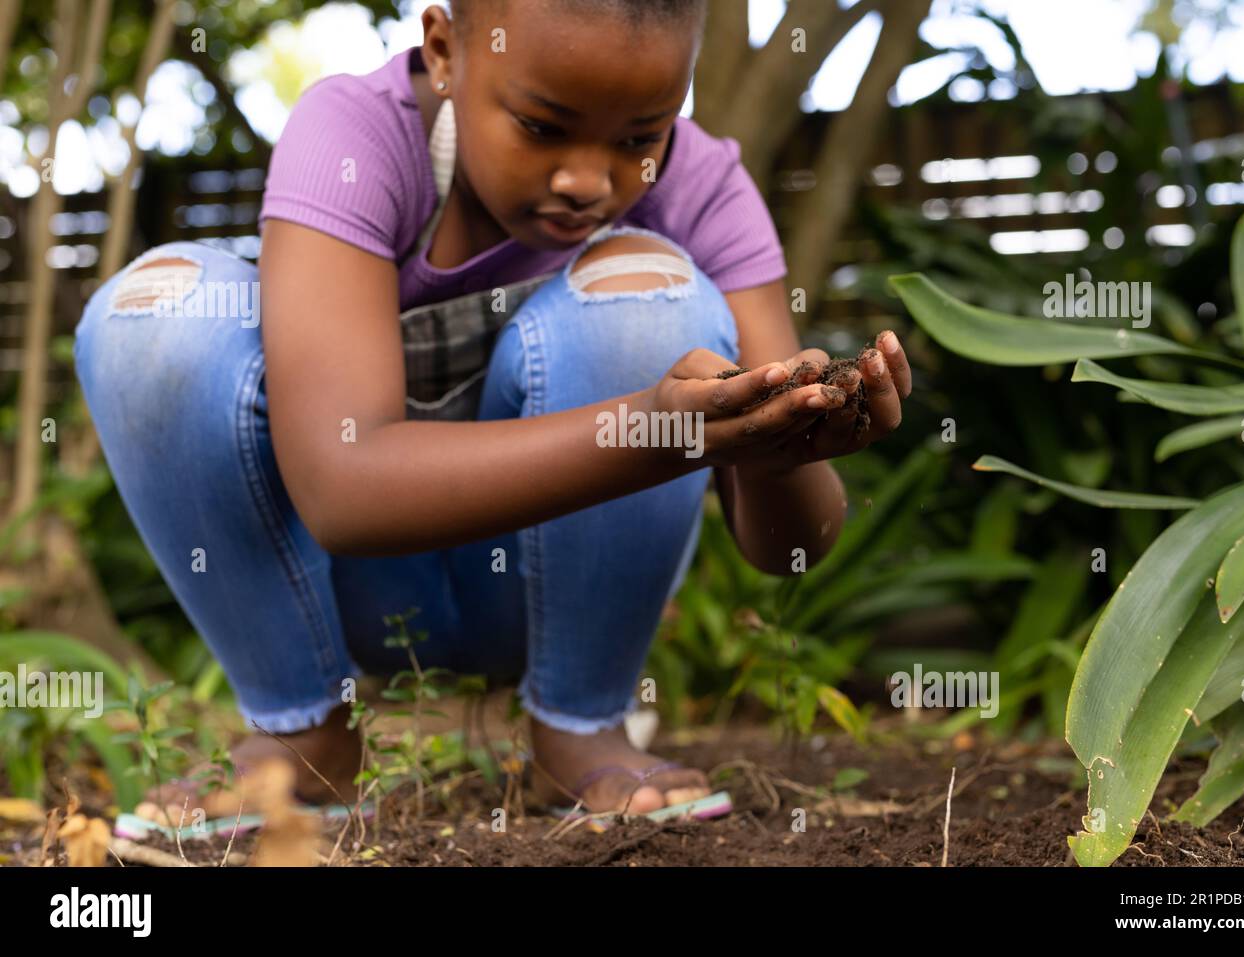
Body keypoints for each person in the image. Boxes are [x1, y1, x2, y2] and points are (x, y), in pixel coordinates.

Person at [73, 0, 913, 818]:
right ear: (443, 49)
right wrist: (655, 434)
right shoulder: (356, 142)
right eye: (543, 126)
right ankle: (304, 734)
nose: (588, 181)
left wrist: (779, 448)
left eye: (639, 138)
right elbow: (341, 487)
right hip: (348, 587)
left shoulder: (701, 190)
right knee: (154, 320)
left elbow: (795, 546)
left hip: (552, 589)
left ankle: (579, 727)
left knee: (649, 293)